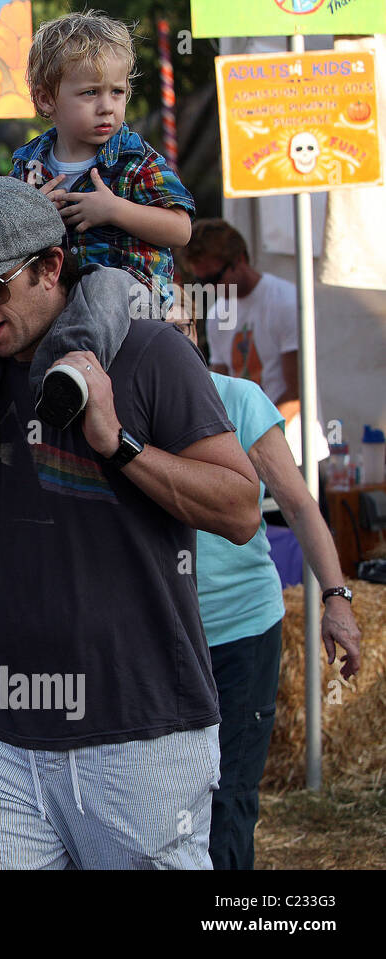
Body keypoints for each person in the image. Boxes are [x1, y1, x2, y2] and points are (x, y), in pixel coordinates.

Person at [0, 176, 261, 869]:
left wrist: (117, 442)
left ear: (51, 266)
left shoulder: (152, 353)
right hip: (1, 729)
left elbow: (242, 509)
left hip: (141, 727)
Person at [0, 11, 193, 459]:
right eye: (90, 93)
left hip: (129, 286)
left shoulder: (135, 159)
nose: (107, 106)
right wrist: (31, 214)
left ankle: (69, 377)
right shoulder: (30, 162)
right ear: (47, 99)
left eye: (118, 92)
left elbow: (180, 228)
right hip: (53, 290)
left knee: (104, 284)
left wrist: (115, 209)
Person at [168, 311, 362, 870]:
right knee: (163, 795)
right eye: (163, 327)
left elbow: (299, 504)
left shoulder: (239, 398)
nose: (179, 338)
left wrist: (336, 598)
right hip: (160, 633)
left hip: (241, 629)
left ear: (198, 333)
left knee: (228, 794)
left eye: (186, 325)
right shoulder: (121, 410)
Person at [182, 218, 327, 467]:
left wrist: (250, 440)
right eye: (202, 282)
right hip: (246, 454)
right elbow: (221, 391)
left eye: (215, 277)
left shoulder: (286, 300)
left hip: (295, 451)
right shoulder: (218, 314)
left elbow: (297, 392)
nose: (211, 288)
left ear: (239, 259)